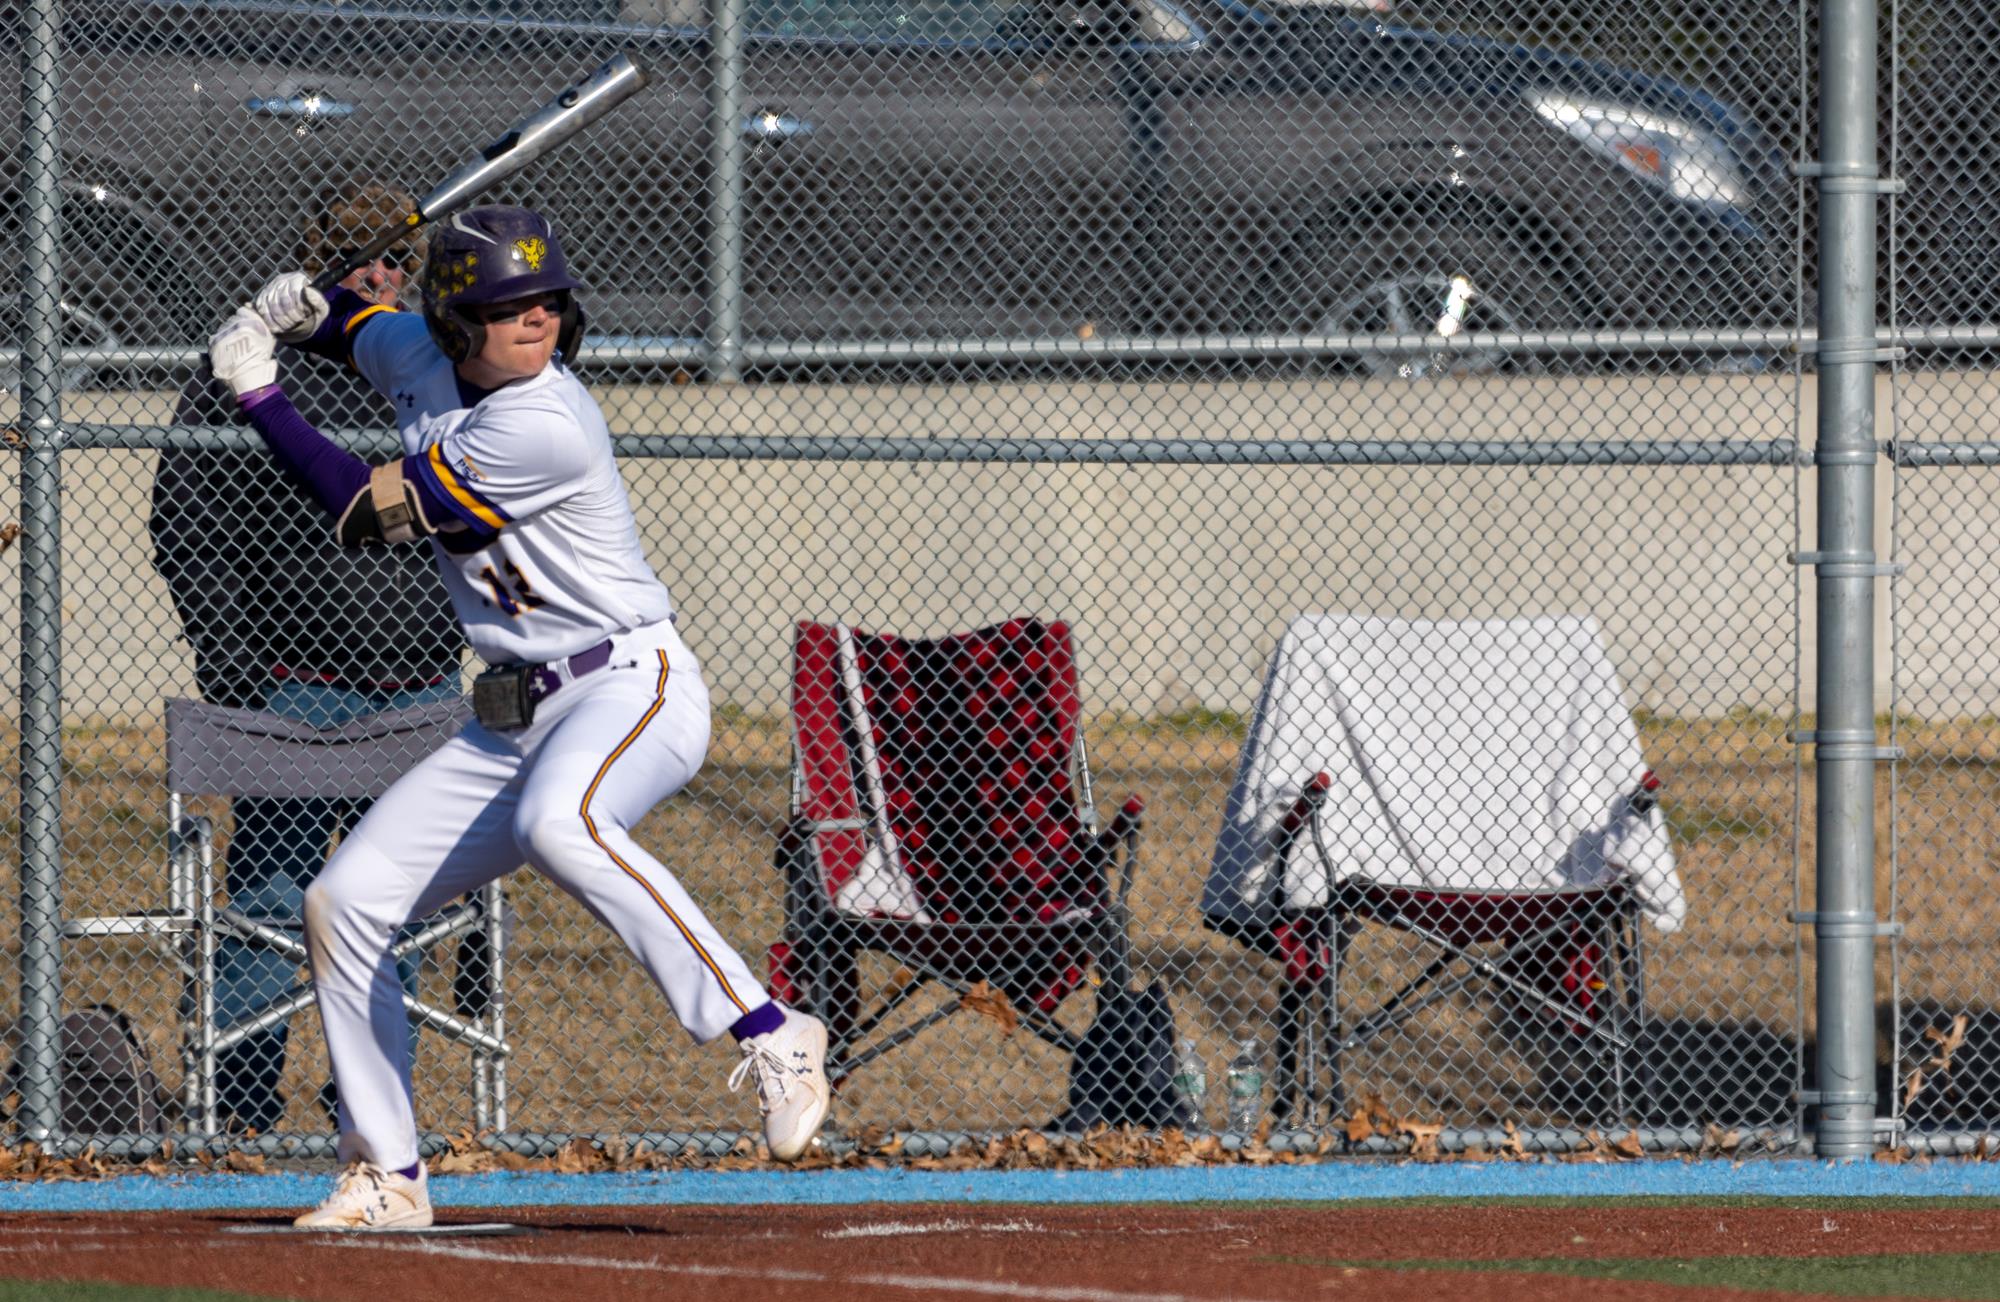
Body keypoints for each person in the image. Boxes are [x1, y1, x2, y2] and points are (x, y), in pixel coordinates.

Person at [207, 205, 829, 1230]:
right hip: (509, 717)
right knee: (345, 900)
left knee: (562, 825)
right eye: (504, 305)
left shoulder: (545, 421)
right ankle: (388, 1175)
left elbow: (367, 513)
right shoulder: (418, 346)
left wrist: (258, 390)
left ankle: (767, 1030)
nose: (532, 318)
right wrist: (306, 310)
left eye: (545, 300)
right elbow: (362, 327)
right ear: (455, 323)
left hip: (628, 686)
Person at [153, 182, 464, 1135]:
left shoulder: (422, 365)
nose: (381, 274)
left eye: (397, 262)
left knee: (400, 903)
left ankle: (371, 1110)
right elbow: (185, 523)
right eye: (360, 259)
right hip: (294, 688)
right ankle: (241, 1108)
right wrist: (238, 667)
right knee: (273, 901)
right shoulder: (248, 364)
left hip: (417, 688)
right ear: (319, 260)